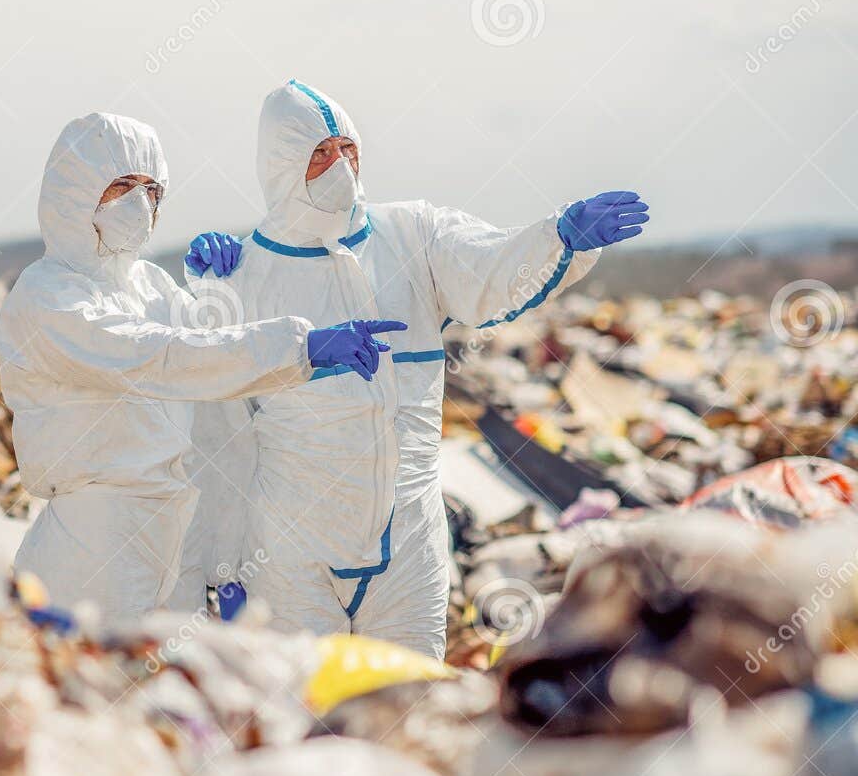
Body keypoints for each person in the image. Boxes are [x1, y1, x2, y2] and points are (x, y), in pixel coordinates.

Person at [182, 79, 648, 656]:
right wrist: (223, 565)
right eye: (319, 154)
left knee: (408, 706)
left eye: (346, 148)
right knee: (302, 715)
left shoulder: (413, 234)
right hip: (289, 552)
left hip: (410, 545)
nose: (340, 166)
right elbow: (213, 427)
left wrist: (558, 237)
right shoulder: (244, 271)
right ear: (282, 165)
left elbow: (489, 265)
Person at [0, 111, 404, 620]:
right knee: (91, 689)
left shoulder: (151, 285)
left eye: (152, 190)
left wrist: (215, 288)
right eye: (122, 186)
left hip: (177, 537)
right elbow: (162, 358)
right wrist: (302, 346)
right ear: (74, 191)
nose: (141, 205)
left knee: (171, 695)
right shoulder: (48, 296)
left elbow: (217, 385)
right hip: (94, 543)